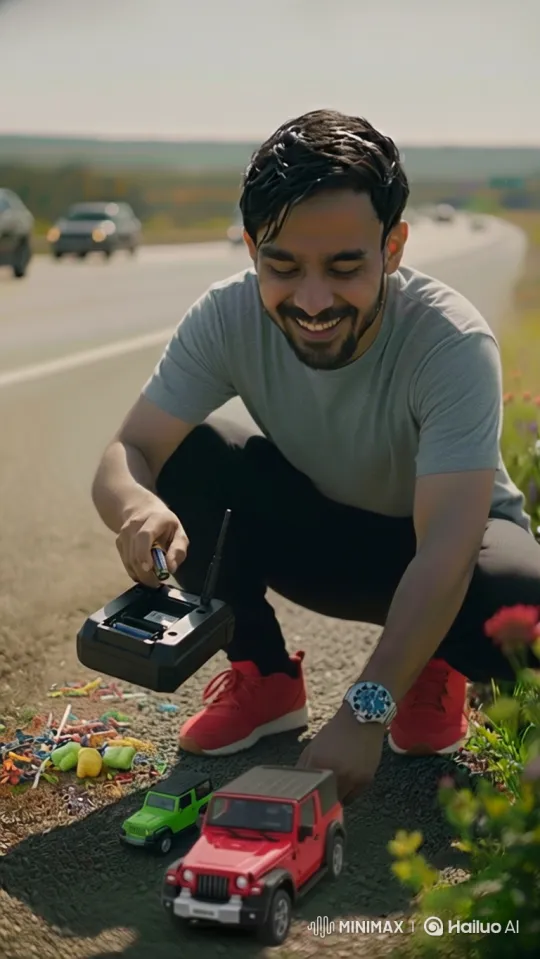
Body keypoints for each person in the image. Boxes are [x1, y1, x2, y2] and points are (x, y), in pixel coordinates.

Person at [91, 109, 540, 803]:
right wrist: (137, 506)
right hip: (327, 540)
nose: (312, 299)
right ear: (250, 249)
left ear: (392, 248)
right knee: (189, 456)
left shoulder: (450, 340)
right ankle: (265, 678)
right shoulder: (226, 315)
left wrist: (366, 707)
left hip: (444, 558)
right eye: (283, 265)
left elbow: (448, 547)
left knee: (523, 606)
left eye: (344, 266)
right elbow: (128, 449)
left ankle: (429, 665)